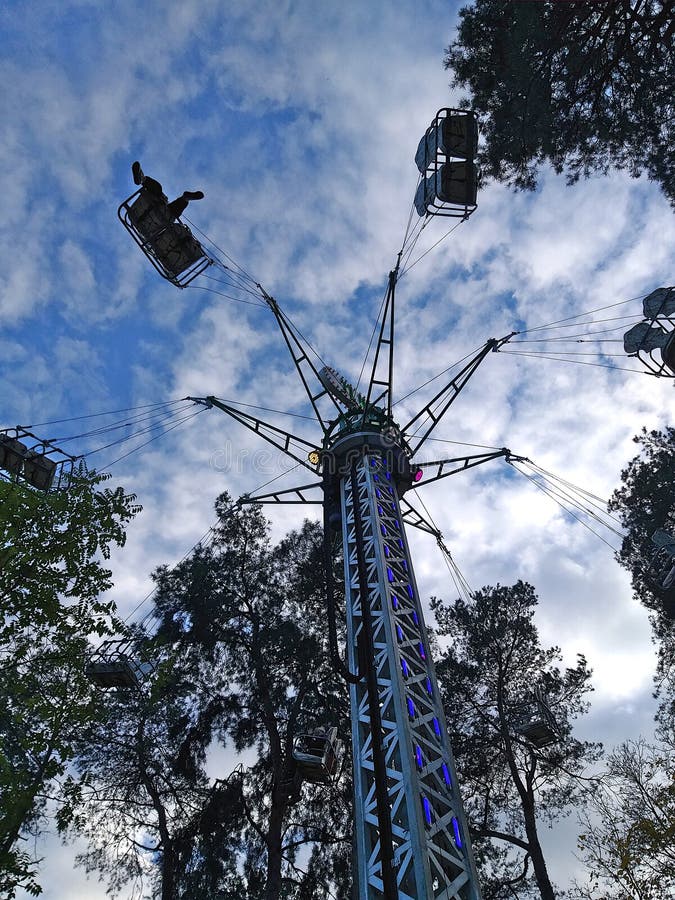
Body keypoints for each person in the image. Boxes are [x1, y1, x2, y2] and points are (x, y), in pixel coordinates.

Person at [131, 161, 204, 220]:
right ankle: (141, 179)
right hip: (164, 214)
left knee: (158, 191)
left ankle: (142, 179)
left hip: (163, 215)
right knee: (160, 194)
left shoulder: (134, 215)